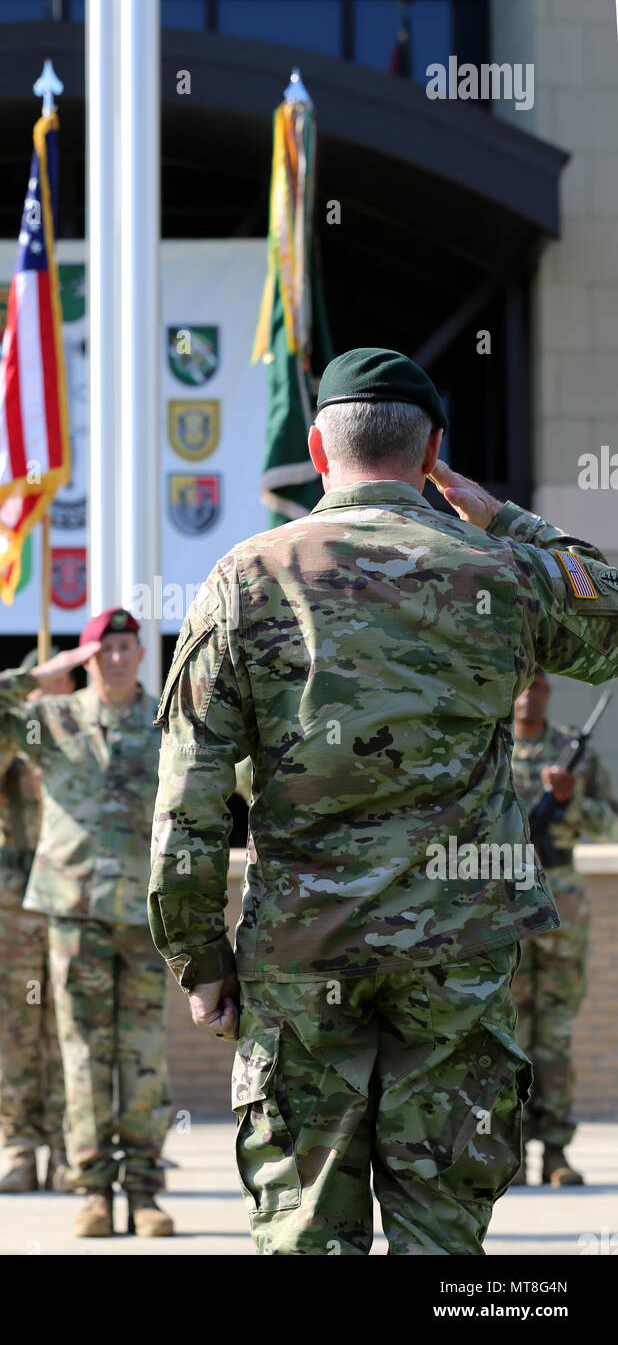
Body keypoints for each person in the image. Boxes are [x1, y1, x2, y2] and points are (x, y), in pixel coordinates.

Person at [149, 346, 618, 1256]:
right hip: (457, 948)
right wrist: (507, 518)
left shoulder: (245, 581)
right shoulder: (498, 568)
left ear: (319, 453)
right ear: (433, 450)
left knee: (306, 1235)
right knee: (442, 1238)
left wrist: (198, 956)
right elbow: (609, 622)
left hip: (301, 948)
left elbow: (189, 799)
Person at [0, 610, 173, 1238]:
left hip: (142, 912)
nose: (118, 658)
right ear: (86, 658)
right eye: (104, 648)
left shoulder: (164, 721)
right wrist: (35, 677)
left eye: (127, 647)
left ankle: (147, 1191)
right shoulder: (51, 721)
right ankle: (94, 1189)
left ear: (139, 655)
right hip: (72, 911)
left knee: (143, 1053)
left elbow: (216, 791)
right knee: (83, 1055)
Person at [0, 647, 75, 1194]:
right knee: (17, 1025)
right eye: (44, 684)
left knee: (70, 1026)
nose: (53, 693)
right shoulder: (6, 737)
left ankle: (71, 1151)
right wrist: (22, 726)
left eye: (61, 683)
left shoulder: (84, 736)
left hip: (72, 892)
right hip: (17, 897)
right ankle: (22, 1150)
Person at [510, 668, 618, 1187]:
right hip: (501, 906)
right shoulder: (485, 751)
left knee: (554, 1032)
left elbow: (611, 824)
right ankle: (504, 1152)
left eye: (539, 686)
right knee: (501, 1032)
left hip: (561, 908)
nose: (531, 696)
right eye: (523, 686)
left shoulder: (573, 752)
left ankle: (554, 1152)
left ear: (548, 694)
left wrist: (571, 799)